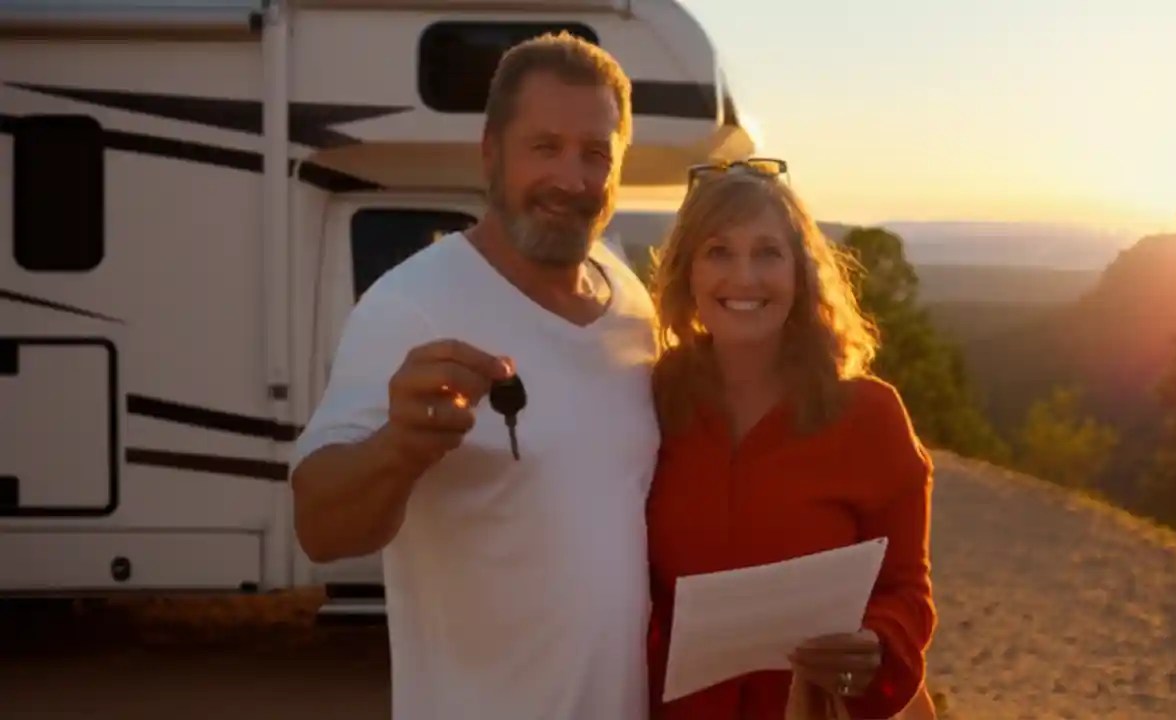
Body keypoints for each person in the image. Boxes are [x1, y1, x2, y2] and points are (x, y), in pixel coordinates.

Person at [288, 32, 661, 720]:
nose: (573, 179)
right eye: (545, 147)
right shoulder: (412, 304)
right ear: (491, 152)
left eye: (596, 154)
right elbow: (319, 526)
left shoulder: (631, 301)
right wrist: (397, 447)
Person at [644, 159, 937, 719]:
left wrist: (876, 645)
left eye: (768, 253)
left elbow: (906, 592)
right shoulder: (649, 401)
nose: (744, 278)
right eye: (718, 252)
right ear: (687, 273)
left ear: (800, 274)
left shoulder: (870, 417)